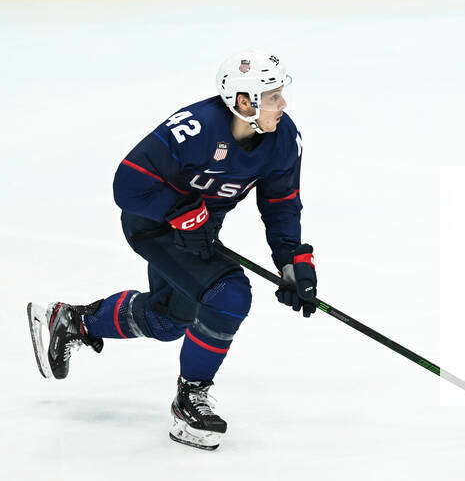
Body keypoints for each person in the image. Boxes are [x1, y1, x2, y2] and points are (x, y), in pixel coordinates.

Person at [26, 51, 317, 451]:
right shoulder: (196, 128)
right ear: (243, 101)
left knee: (168, 320)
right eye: (272, 97)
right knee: (229, 294)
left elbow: (281, 203)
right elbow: (128, 184)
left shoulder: (283, 139)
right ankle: (190, 399)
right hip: (153, 225)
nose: (282, 104)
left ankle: (75, 321)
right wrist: (182, 213)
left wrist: (291, 260)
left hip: (198, 231)